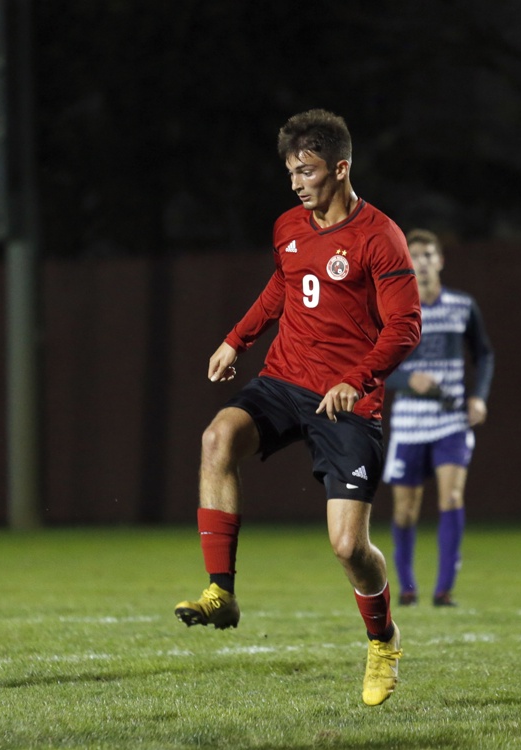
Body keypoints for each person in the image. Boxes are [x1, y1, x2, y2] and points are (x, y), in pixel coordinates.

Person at [174, 109, 421, 707]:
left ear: (341, 168)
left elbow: (406, 327)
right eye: (290, 172)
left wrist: (357, 379)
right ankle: (220, 590)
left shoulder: (379, 237)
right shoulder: (288, 224)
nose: (296, 183)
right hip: (285, 380)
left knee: (347, 547)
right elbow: (284, 285)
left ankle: (383, 640)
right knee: (217, 438)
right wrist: (238, 338)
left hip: (350, 402)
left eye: (306, 171)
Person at [383, 229, 494, 608]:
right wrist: (406, 378)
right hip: (409, 424)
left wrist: (478, 397)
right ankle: (408, 586)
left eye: (429, 254)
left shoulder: (462, 306)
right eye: (415, 256)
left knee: (452, 496)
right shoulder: (395, 310)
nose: (423, 261)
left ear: (440, 261)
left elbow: (484, 355)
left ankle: (444, 590)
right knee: (405, 508)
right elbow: (377, 368)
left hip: (450, 422)